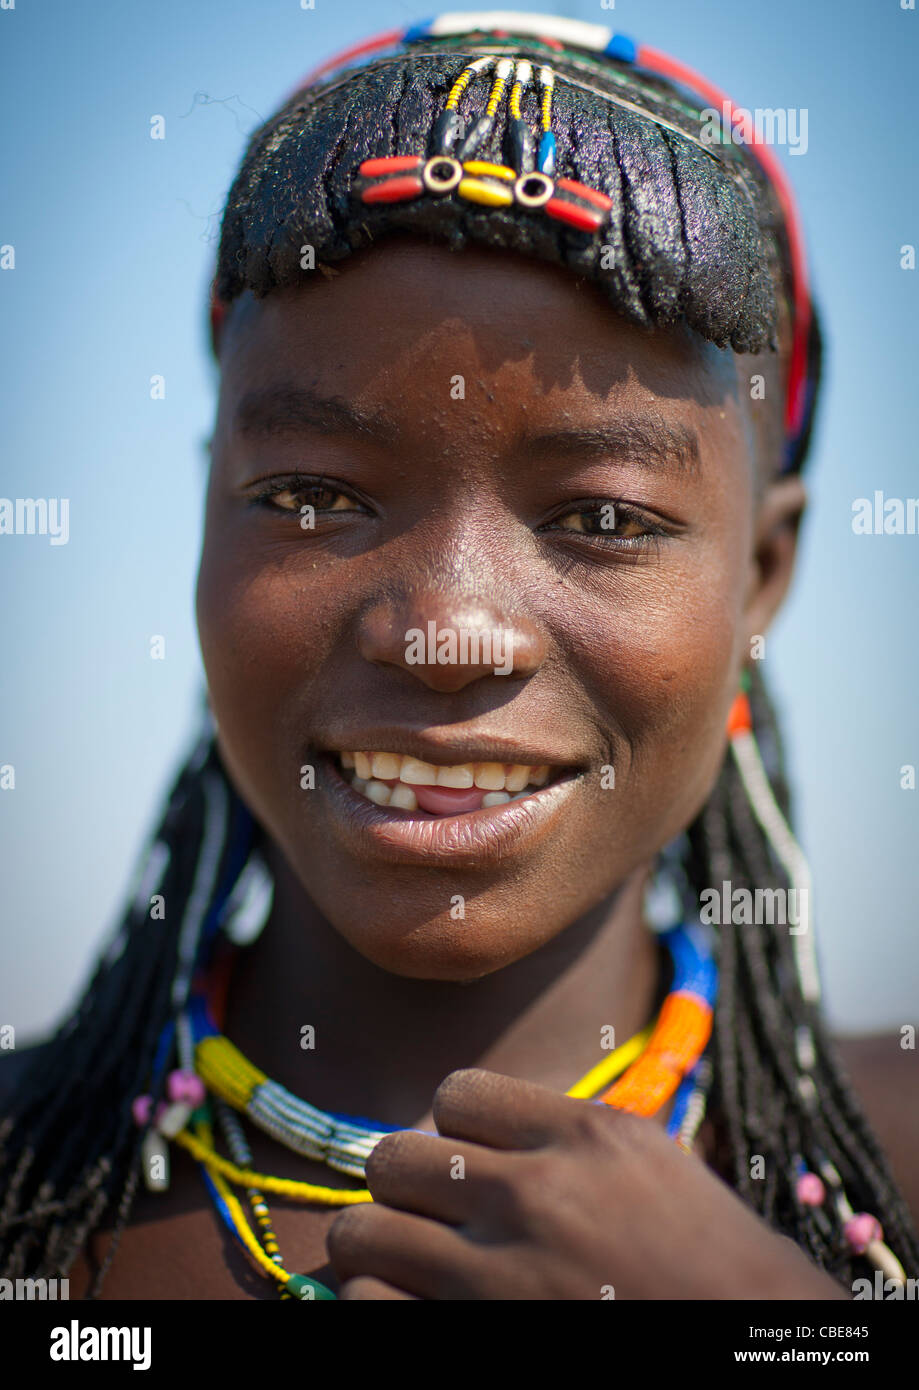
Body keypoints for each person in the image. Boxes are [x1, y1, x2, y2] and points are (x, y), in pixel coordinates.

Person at [2, 12, 917, 1301]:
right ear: (207, 512)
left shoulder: (887, 1181)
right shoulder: (31, 1196)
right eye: (313, 496)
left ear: (761, 574)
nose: (445, 630)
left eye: (602, 519)